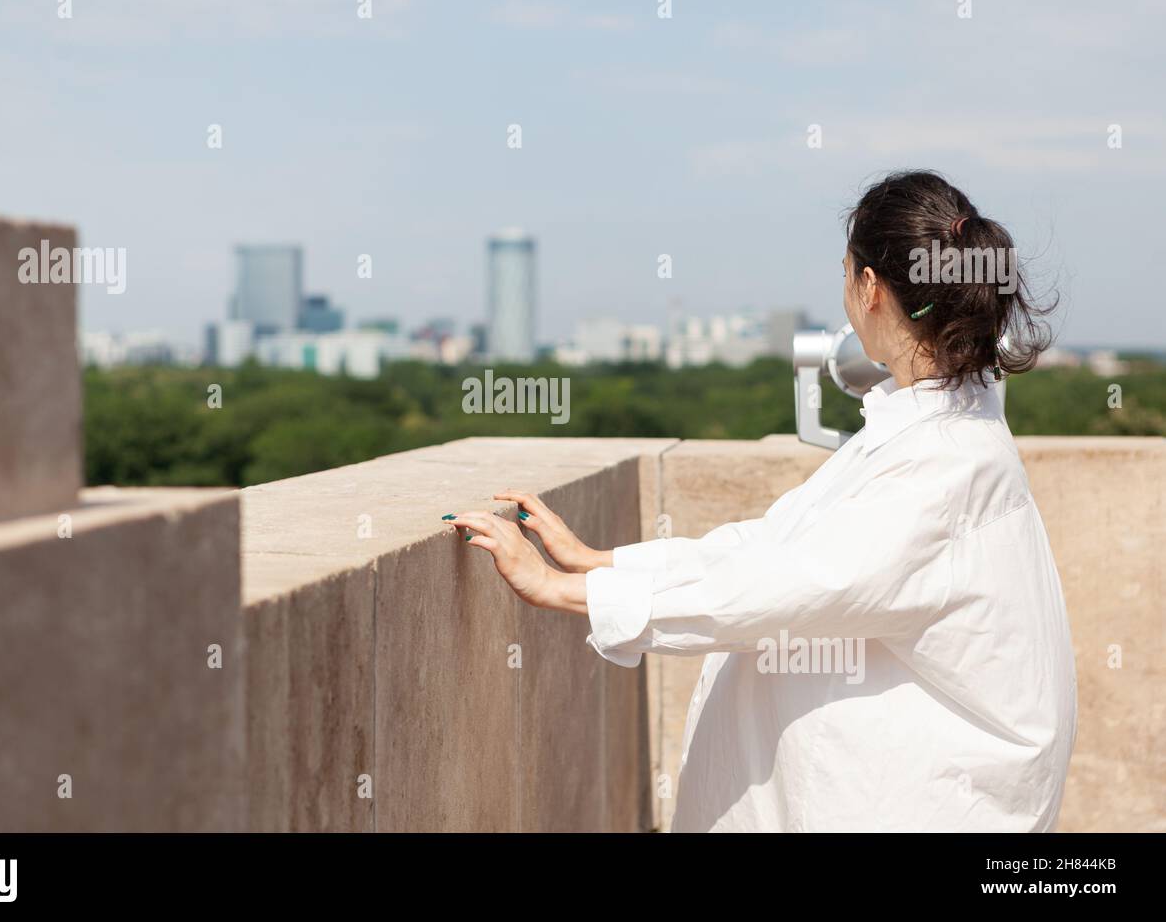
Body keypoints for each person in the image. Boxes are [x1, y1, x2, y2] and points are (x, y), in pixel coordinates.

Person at [445, 170, 1077, 831]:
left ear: (869, 289)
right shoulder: (935, 425)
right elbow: (775, 547)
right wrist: (600, 562)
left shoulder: (943, 461)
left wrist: (558, 589)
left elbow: (782, 586)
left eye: (845, 273)